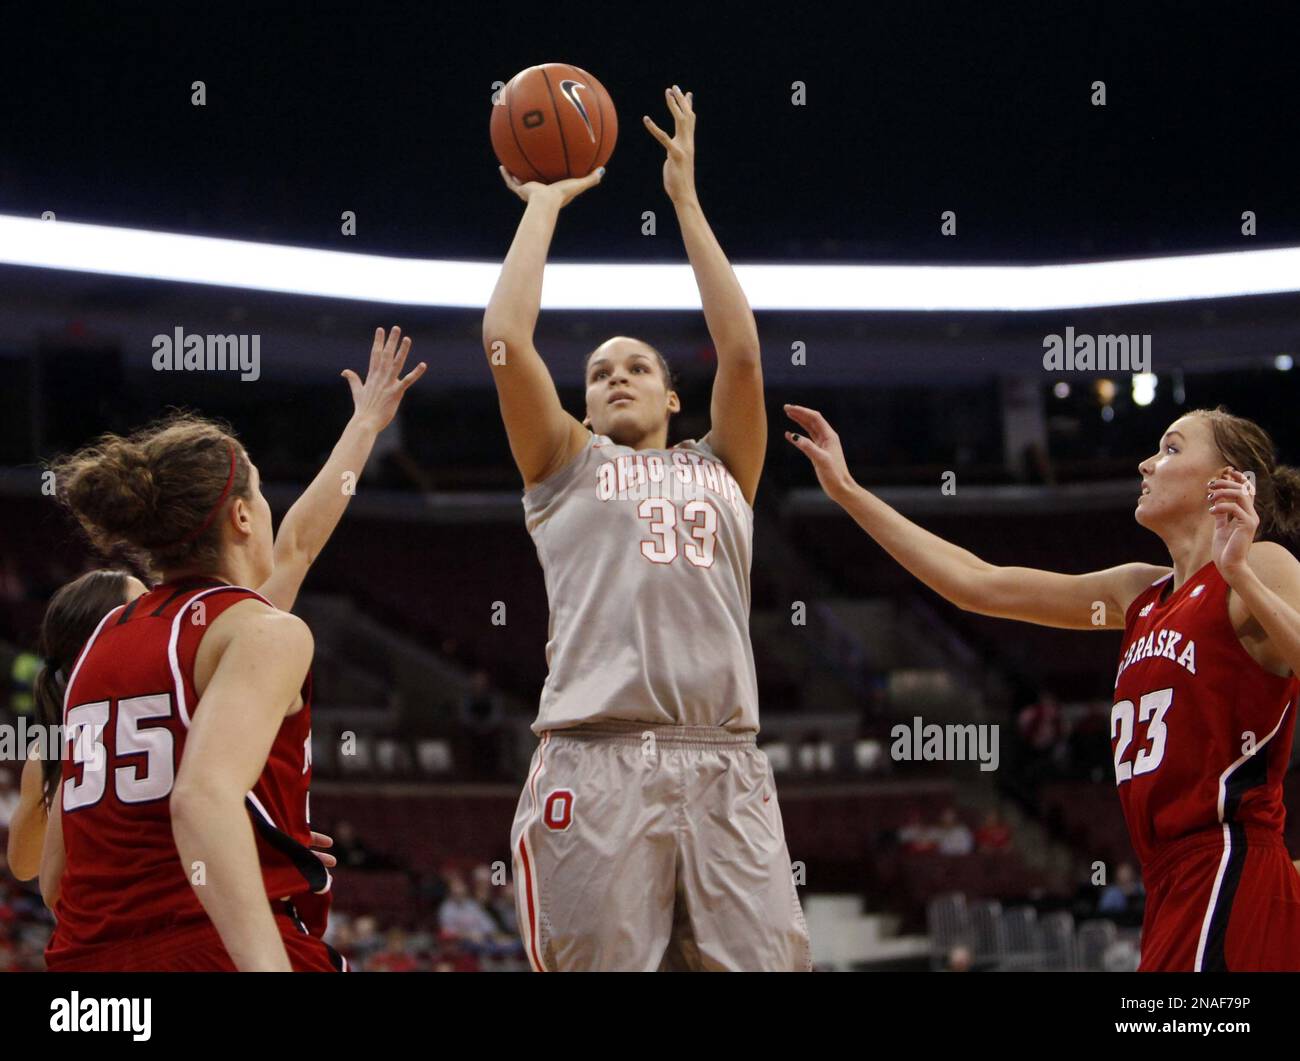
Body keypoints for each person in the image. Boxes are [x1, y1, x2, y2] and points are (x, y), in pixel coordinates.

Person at [786, 402, 1300, 971]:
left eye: (1172, 449)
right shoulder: (1138, 594)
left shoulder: (1260, 568)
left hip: (1229, 862)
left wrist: (1242, 575)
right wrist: (849, 491)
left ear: (1228, 482)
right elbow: (977, 585)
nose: (1146, 464)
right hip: (1168, 882)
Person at [484, 86, 809, 971]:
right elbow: (507, 339)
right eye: (597, 372)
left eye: (637, 367)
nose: (614, 377)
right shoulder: (563, 465)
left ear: (675, 396)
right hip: (595, 759)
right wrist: (544, 206)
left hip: (726, 762)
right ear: (581, 402)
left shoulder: (722, 468)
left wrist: (687, 203)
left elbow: (741, 351)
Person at [38, 326, 424, 971]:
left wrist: (366, 425)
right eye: (263, 493)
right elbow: (201, 797)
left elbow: (57, 879)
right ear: (243, 517)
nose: (275, 511)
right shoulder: (260, 632)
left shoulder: (101, 641)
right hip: (217, 950)